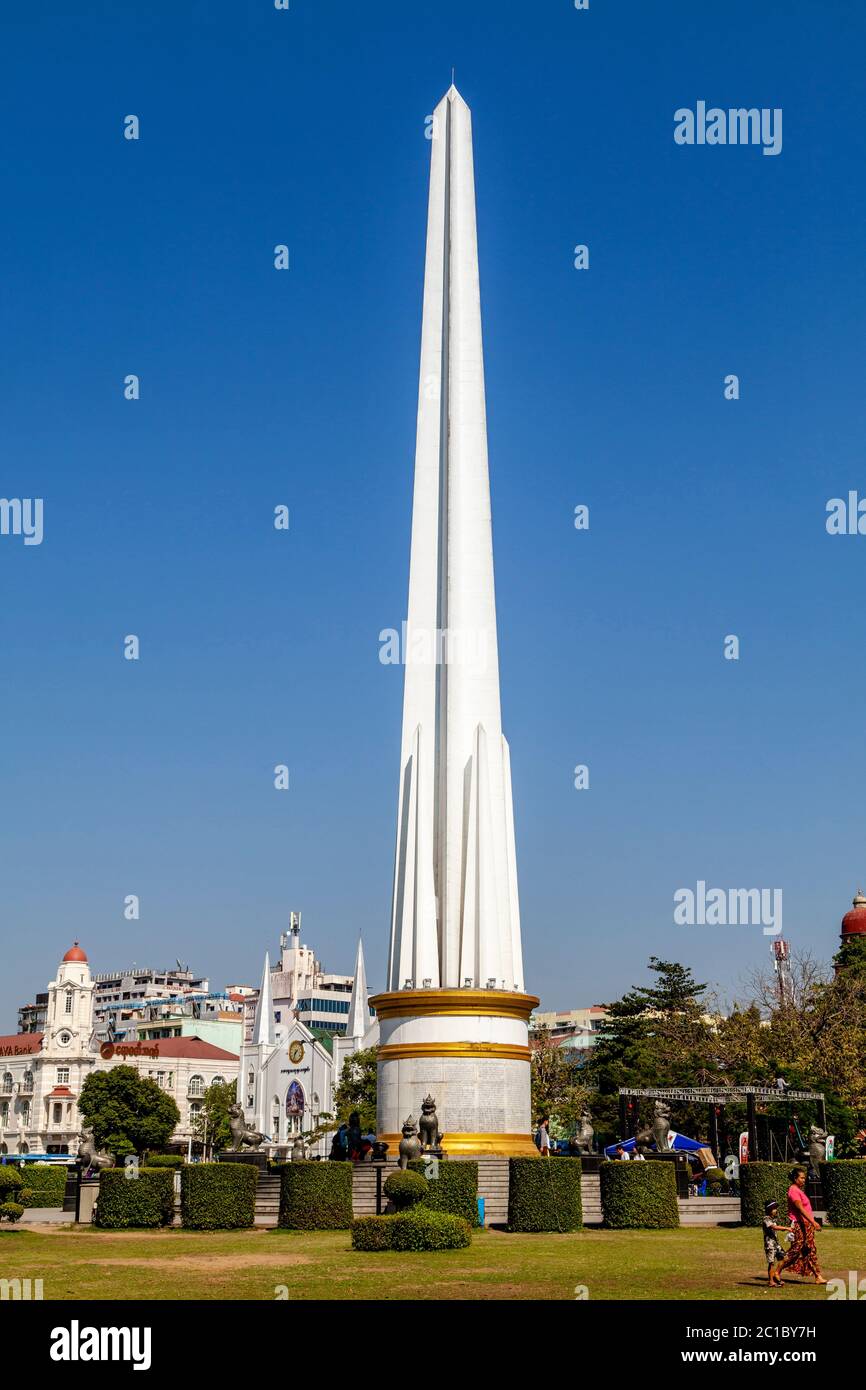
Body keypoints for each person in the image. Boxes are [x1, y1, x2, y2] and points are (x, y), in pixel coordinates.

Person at [779, 1166, 826, 1284]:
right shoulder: (793, 1191)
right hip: (800, 1225)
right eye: (801, 1178)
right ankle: (776, 1271)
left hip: (805, 1225)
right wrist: (813, 1222)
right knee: (795, 1251)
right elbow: (800, 1208)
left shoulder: (798, 1190)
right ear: (795, 1179)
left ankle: (818, 1276)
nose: (804, 1180)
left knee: (809, 1250)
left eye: (804, 1178)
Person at [762, 1200, 789, 1288]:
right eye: (774, 1209)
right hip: (770, 1244)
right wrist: (786, 1228)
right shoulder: (766, 1218)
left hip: (776, 1244)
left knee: (785, 1258)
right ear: (769, 1209)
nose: (776, 1210)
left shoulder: (772, 1219)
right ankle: (771, 1281)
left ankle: (776, 1273)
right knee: (771, 1263)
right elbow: (774, 1227)